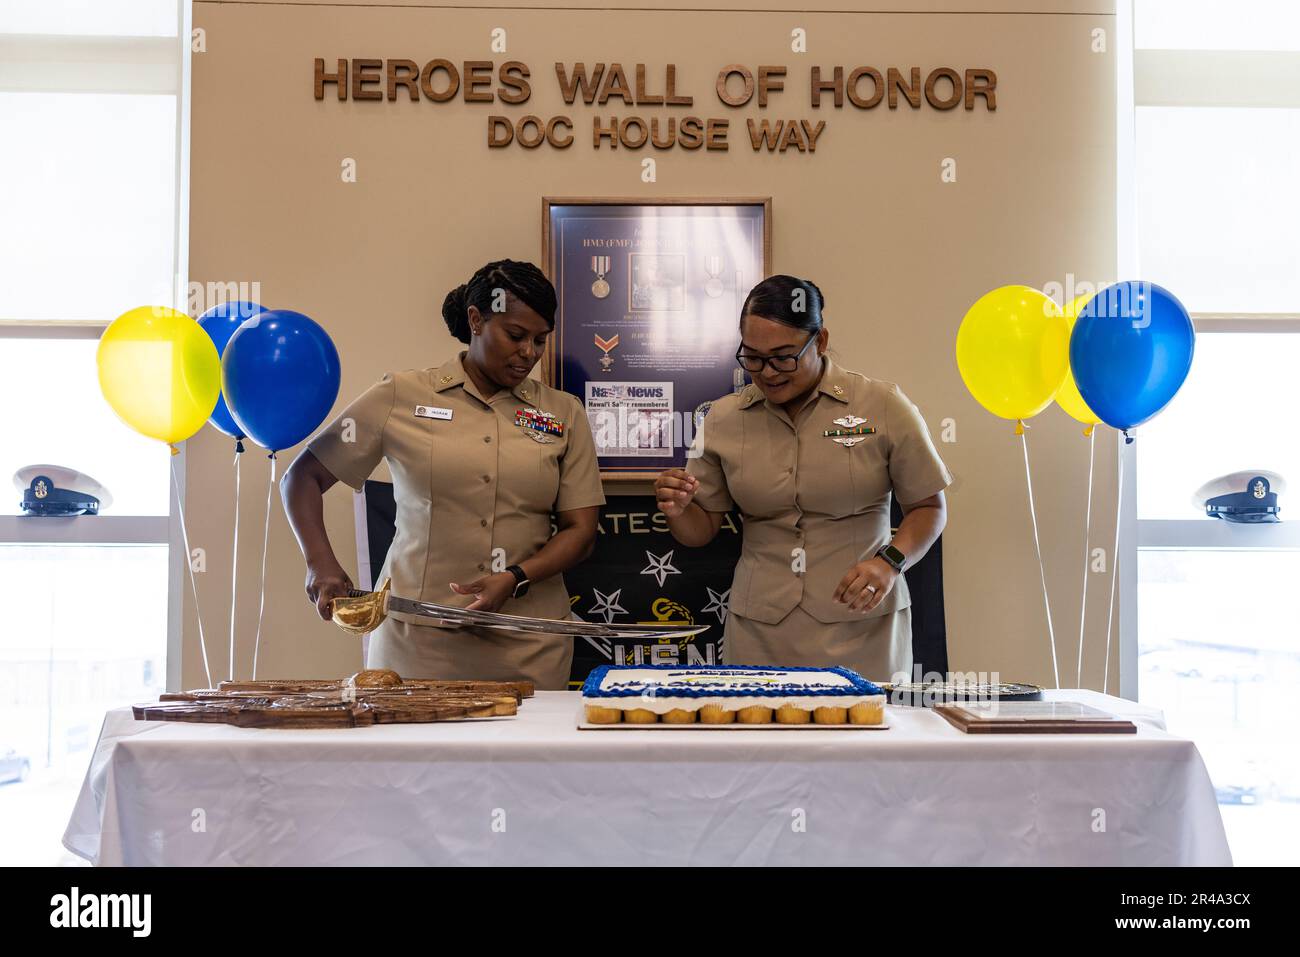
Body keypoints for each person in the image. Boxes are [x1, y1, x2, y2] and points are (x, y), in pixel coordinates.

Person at [281, 259, 606, 689]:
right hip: (417, 641)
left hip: (529, 643)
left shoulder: (564, 413)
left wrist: (515, 577)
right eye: (515, 335)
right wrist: (320, 565)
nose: (528, 352)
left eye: (540, 340)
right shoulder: (400, 395)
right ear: (476, 319)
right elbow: (302, 478)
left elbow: (581, 531)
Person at [654, 275, 950, 681]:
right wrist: (678, 509)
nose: (768, 372)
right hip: (760, 632)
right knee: (760, 740)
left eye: (783, 356)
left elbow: (928, 507)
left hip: (862, 623)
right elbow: (700, 530)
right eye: (753, 358)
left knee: (861, 738)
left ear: (821, 341)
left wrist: (890, 563)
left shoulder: (882, 405)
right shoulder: (723, 418)